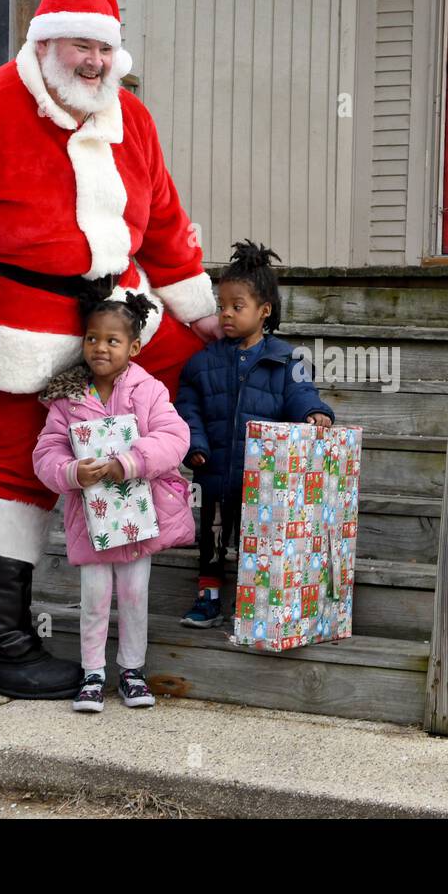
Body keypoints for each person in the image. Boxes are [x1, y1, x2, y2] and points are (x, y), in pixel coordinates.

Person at [0, 0, 221, 699]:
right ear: (44, 44)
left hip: (118, 316)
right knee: (16, 477)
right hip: (7, 330)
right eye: (81, 45)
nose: (94, 62)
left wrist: (201, 310)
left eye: (104, 49)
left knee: (220, 373)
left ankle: (223, 553)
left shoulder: (130, 119)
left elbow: (167, 225)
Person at [32, 295, 195, 711]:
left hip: (138, 519)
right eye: (92, 338)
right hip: (92, 521)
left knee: (136, 593)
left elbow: (174, 438)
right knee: (95, 597)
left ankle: (132, 671)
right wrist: (71, 472)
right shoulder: (68, 398)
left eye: (112, 340)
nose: (100, 348)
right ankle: (92, 674)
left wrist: (130, 462)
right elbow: (46, 451)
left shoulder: (149, 391)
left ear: (133, 347)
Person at [174, 241, 335, 628]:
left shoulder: (288, 359)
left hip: (264, 479)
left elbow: (302, 394)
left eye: (237, 306)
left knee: (258, 543)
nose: (226, 314)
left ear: (264, 311)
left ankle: (254, 603)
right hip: (213, 471)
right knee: (211, 540)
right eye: (221, 305)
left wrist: (315, 413)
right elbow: (187, 409)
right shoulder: (202, 363)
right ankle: (207, 599)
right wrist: (194, 445)